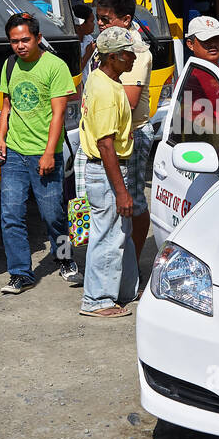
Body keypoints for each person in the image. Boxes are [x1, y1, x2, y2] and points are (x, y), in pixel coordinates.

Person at [0, 11, 82, 293]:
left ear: (38, 38)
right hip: (15, 155)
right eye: (14, 41)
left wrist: (48, 153)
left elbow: (58, 116)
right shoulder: (9, 65)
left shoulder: (55, 67)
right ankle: (20, 273)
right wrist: (0, 137)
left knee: (52, 214)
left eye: (25, 40)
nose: (20, 46)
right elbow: (7, 106)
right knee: (11, 215)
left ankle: (65, 258)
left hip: (46, 155)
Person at [75, 0, 154, 267]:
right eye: (98, 18)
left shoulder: (133, 53)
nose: (100, 24)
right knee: (86, 201)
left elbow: (127, 104)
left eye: (106, 19)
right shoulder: (101, 47)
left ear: (126, 19)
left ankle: (127, 265)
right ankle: (96, 263)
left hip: (123, 137)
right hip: (97, 134)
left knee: (130, 201)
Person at [79, 26, 140, 319]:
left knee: (119, 235)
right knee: (108, 237)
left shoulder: (101, 79)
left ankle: (122, 292)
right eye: (128, 55)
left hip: (108, 172)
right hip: (108, 173)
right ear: (113, 57)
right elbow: (106, 145)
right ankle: (97, 300)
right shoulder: (104, 89)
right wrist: (121, 191)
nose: (132, 60)